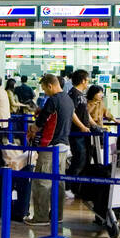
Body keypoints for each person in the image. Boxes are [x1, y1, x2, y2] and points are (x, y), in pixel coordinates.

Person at [26, 74, 86, 225]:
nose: (45, 92)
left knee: (42, 181)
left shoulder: (53, 100)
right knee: (58, 182)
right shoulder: (68, 99)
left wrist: (32, 129)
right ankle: (57, 215)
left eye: (45, 88)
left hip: (50, 147)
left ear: (50, 85)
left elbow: (40, 122)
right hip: (64, 146)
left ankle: (41, 217)